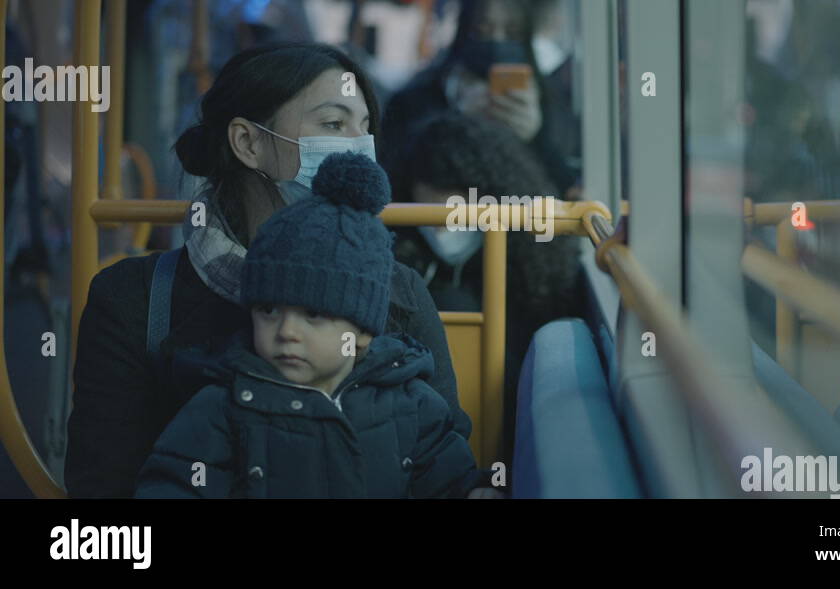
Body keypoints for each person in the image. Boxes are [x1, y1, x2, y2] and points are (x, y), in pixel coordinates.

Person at [66, 43, 471, 499]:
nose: (358, 150)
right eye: (333, 124)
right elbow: (103, 485)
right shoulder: (137, 301)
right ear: (248, 143)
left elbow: (445, 466)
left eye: (365, 129)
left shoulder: (397, 291)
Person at [135, 154, 481, 498]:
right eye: (268, 310)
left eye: (313, 315)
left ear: (362, 332)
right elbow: (175, 483)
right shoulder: (225, 405)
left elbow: (452, 482)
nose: (286, 331)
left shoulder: (411, 404)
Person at [389, 112, 585, 465]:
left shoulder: (533, 271)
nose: (443, 217)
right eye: (430, 192)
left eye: (456, 194)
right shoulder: (400, 264)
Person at [382, 0, 580, 198]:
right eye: (482, 30)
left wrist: (536, 137)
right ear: (463, 32)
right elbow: (392, 179)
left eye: (512, 33)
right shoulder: (412, 102)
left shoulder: (549, 104)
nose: (497, 41)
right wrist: (455, 122)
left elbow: (567, 189)